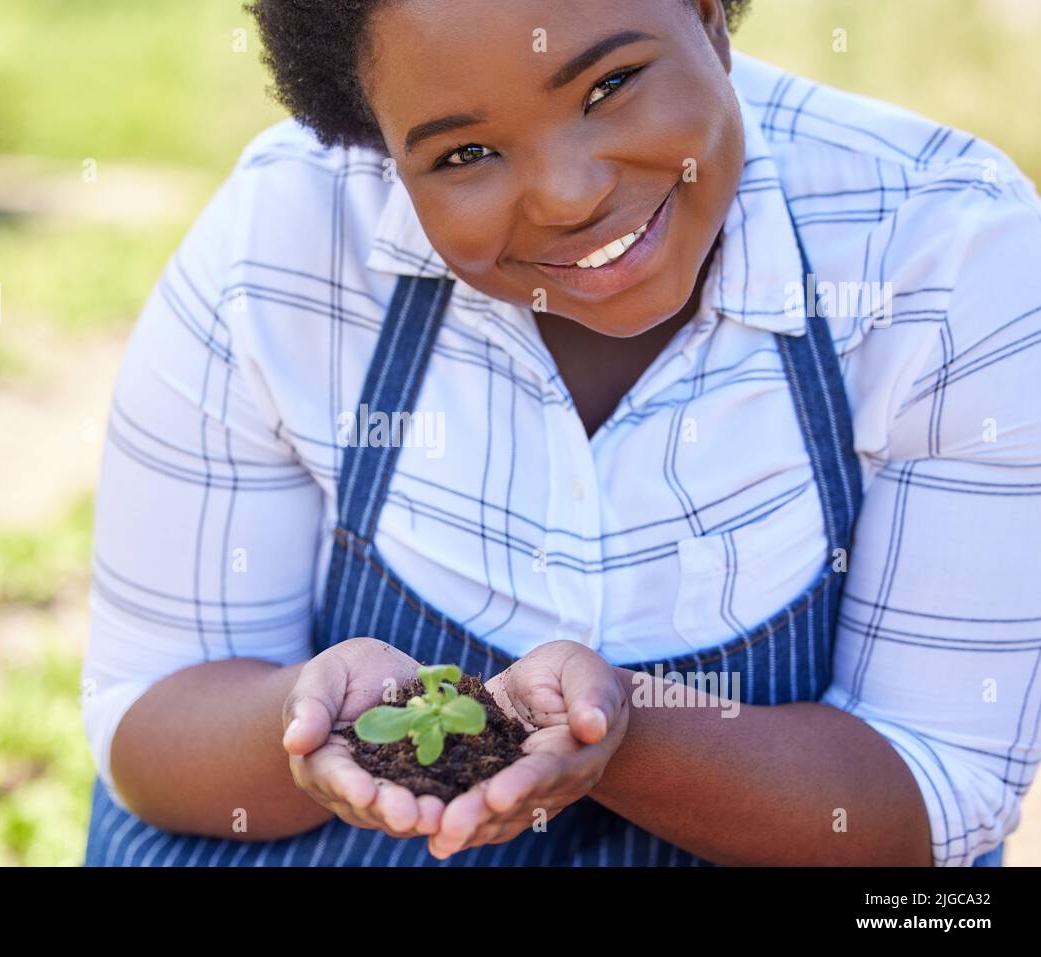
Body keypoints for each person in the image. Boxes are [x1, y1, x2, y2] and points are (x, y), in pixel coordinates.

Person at [81, 0, 1041, 866]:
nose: (570, 194)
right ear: (379, 146)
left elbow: (938, 784)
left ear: (708, 16)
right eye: (463, 155)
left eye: (610, 85)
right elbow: (148, 718)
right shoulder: (284, 238)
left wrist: (619, 731)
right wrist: (302, 723)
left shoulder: (943, 251)